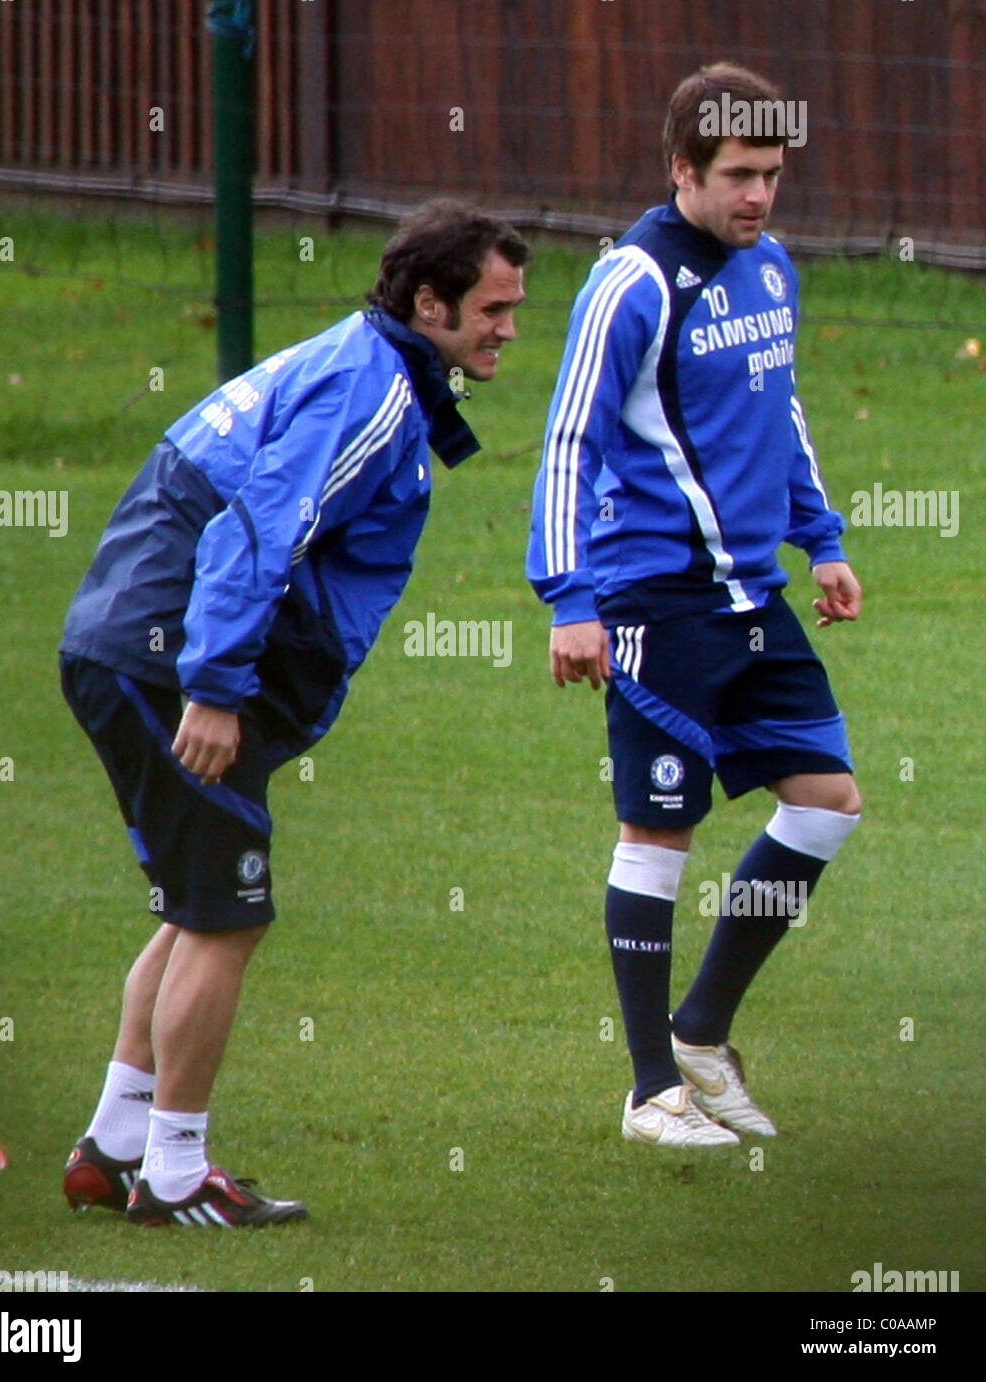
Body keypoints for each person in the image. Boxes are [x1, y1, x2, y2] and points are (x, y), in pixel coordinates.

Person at [60, 199, 528, 1225]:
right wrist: (214, 686)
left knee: (197, 906)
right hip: (168, 660)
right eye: (494, 309)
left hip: (131, 645)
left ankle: (115, 1143)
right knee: (229, 914)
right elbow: (255, 533)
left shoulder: (366, 365)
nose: (507, 328)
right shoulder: (369, 393)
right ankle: (175, 1174)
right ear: (431, 302)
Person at [527, 63, 862, 1148]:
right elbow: (570, 440)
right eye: (737, 176)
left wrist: (821, 536)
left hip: (751, 594)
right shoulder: (630, 282)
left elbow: (779, 408)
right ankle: (648, 1092)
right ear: (682, 169)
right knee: (659, 831)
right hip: (655, 597)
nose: (759, 195)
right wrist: (569, 597)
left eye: (772, 174)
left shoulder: (772, 268)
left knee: (826, 801)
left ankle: (702, 1032)